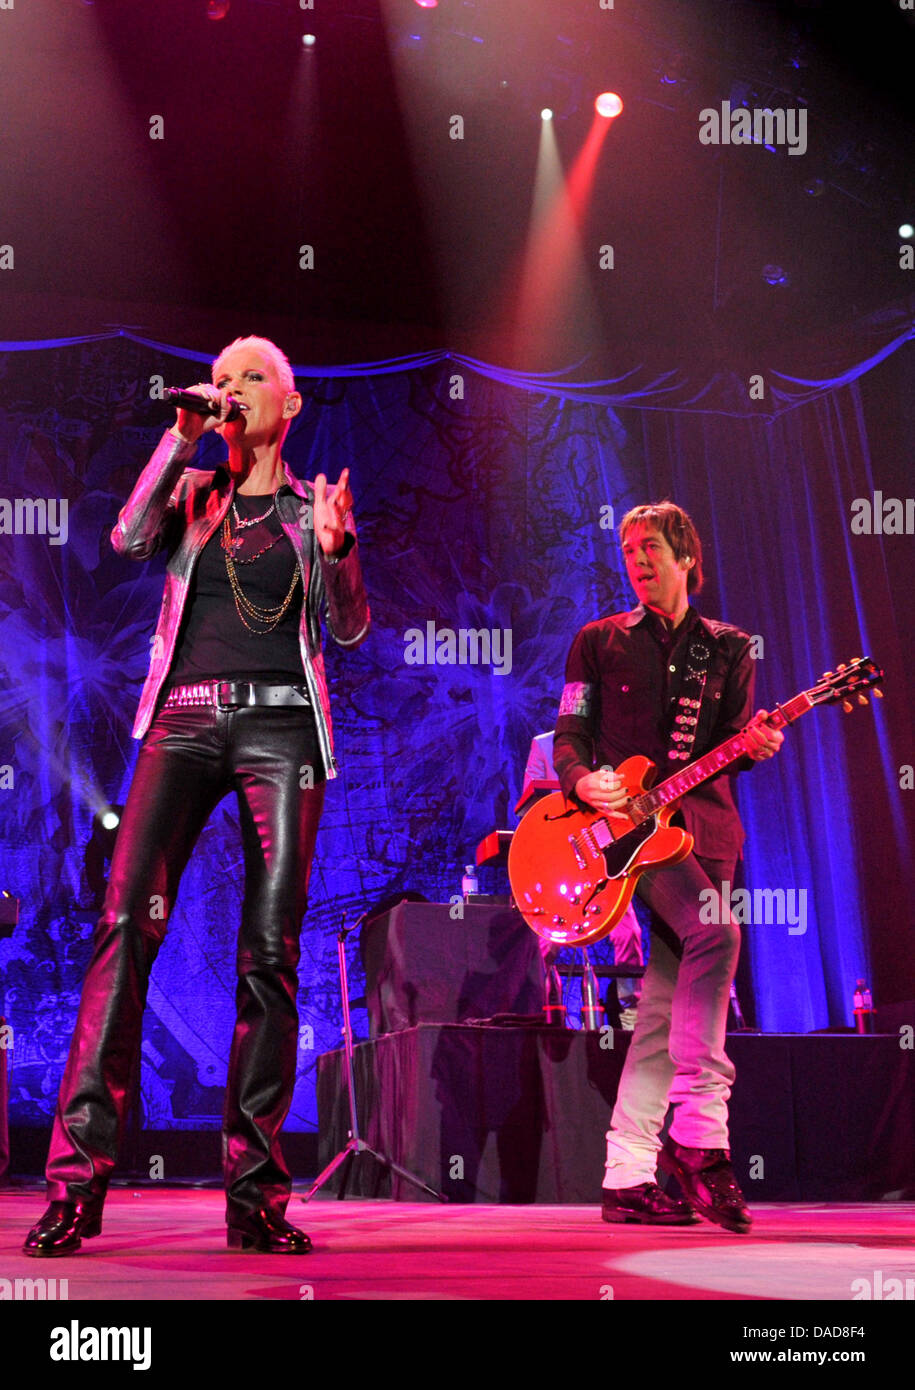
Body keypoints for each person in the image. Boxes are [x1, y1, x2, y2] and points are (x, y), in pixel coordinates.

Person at [24, 336, 369, 1256]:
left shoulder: (308, 509)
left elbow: (349, 626)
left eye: (250, 377)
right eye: (221, 379)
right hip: (180, 722)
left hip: (284, 729)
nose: (231, 389)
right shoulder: (192, 494)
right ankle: (77, 1184)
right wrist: (180, 440)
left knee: (268, 954)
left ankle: (255, 1196)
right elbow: (126, 539)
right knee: (123, 931)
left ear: (288, 405)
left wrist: (337, 552)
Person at [552, 501, 783, 1233]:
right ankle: (700, 1135)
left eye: (649, 547)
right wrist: (583, 780)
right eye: (626, 550)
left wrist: (755, 746)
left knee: (660, 1003)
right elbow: (570, 733)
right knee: (718, 937)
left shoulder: (731, 647)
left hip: (705, 838)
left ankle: (626, 1175)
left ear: (685, 554)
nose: (636, 561)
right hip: (626, 837)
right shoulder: (596, 641)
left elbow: (726, 751)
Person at [518, 730, 643, 1028]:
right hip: (562, 859)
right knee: (546, 942)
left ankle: (631, 1019)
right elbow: (528, 807)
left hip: (605, 860)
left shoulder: (612, 741)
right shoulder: (544, 745)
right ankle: (547, 1016)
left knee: (629, 934)